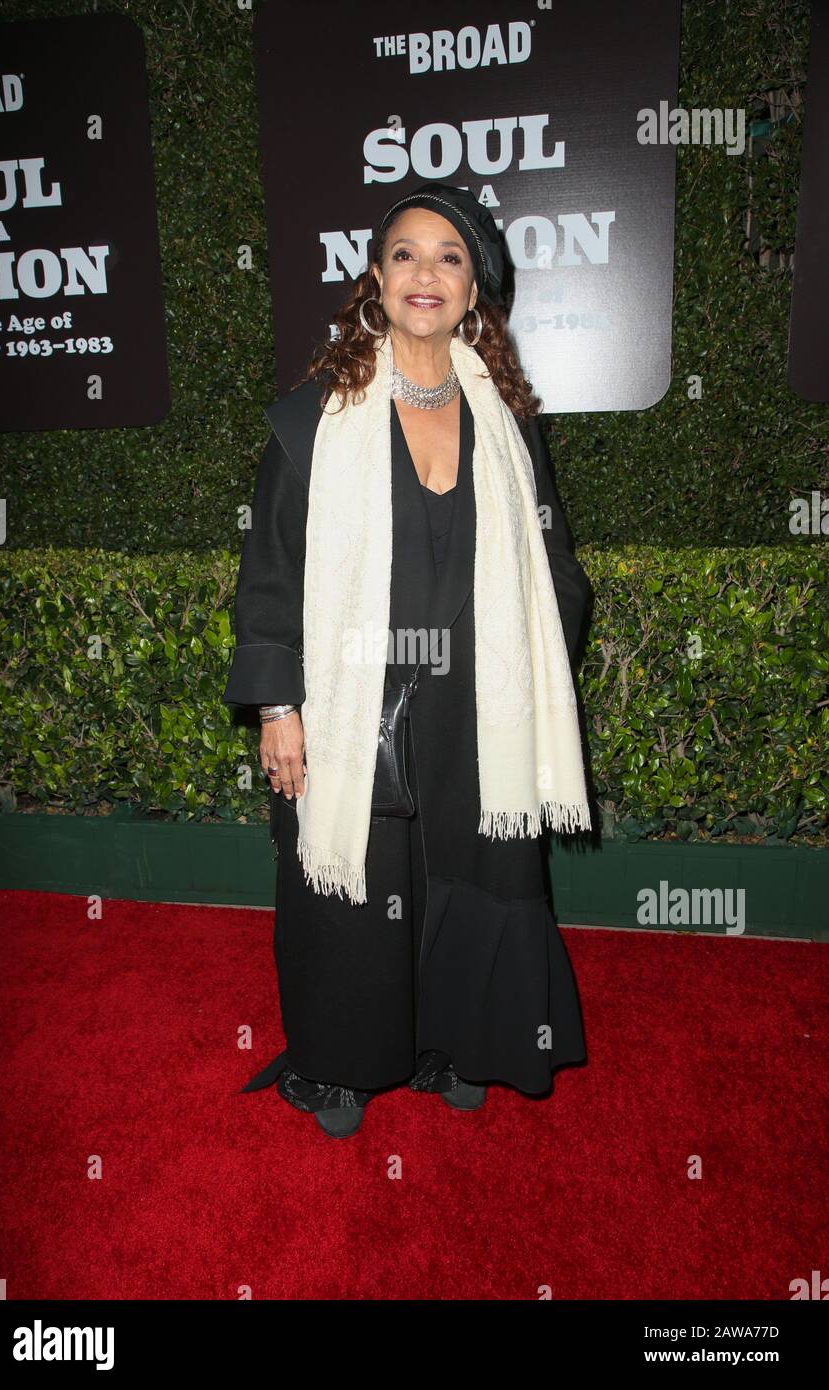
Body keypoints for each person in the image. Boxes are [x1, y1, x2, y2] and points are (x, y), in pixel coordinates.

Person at [222, 183, 593, 1138]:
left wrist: (539, 666)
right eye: (404, 255)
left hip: (478, 705)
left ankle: (450, 1044)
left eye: (449, 258)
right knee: (352, 887)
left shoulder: (508, 423)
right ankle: (340, 1063)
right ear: (375, 279)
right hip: (355, 706)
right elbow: (269, 573)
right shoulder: (311, 421)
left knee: (476, 875)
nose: (424, 274)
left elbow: (552, 564)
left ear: (475, 290)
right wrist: (279, 707)